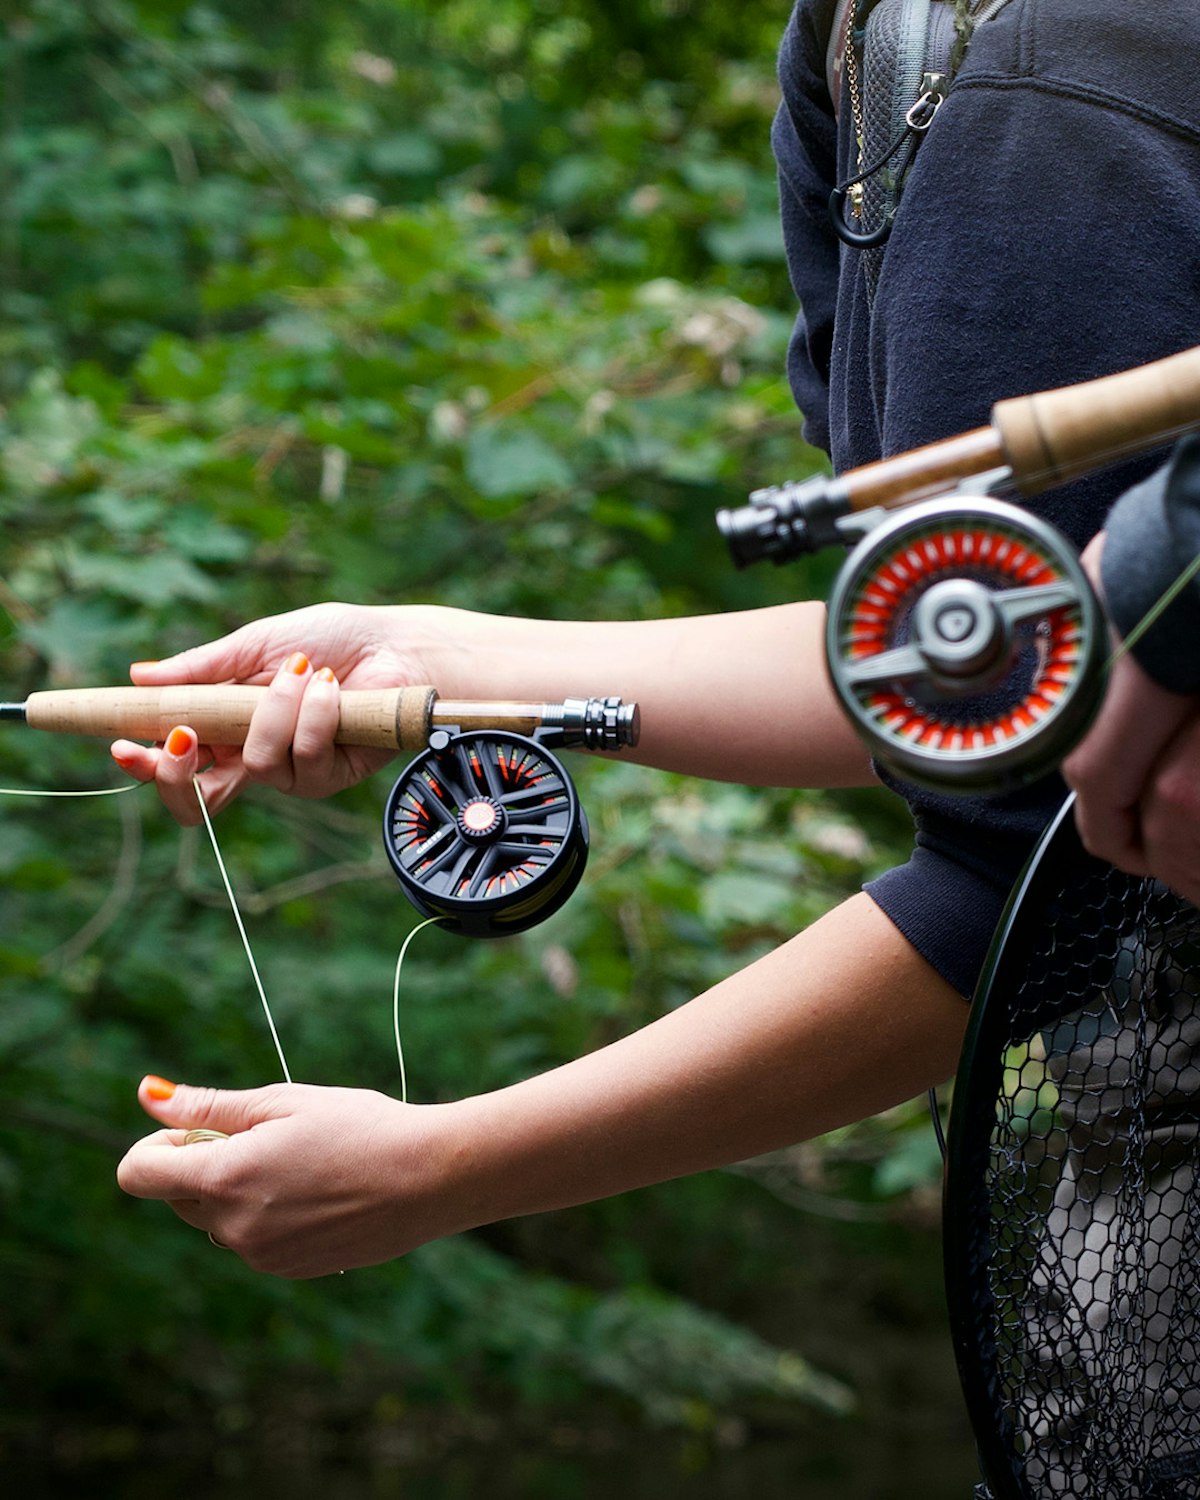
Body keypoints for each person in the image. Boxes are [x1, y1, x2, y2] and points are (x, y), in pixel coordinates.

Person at [115, 0, 1200, 1278]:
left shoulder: (1061, 83)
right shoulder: (851, 46)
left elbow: (1019, 857)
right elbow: (951, 661)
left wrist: (442, 1166)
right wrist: (422, 657)